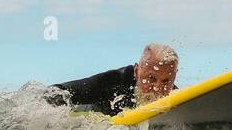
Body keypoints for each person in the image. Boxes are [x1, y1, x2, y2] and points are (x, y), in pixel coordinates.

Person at [50, 43, 179, 115]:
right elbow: (57, 91)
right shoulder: (112, 82)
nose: (157, 88)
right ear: (136, 71)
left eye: (166, 81)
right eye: (151, 79)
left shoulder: (175, 95)